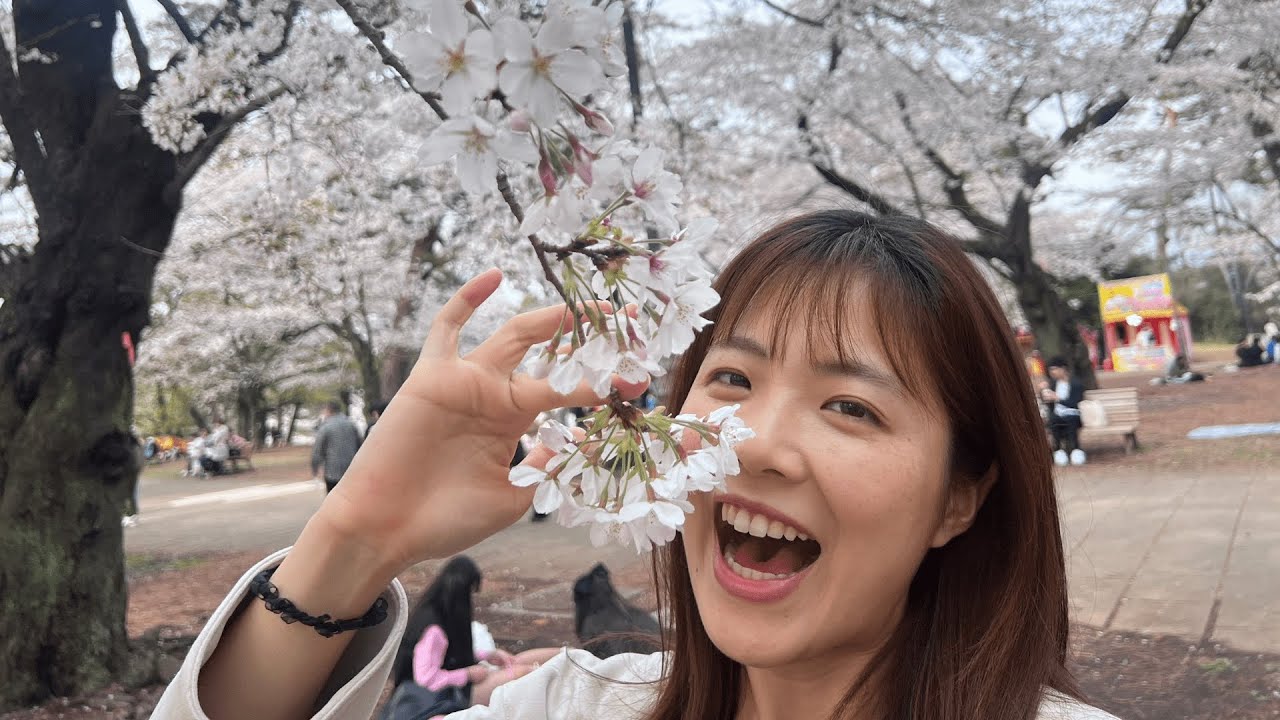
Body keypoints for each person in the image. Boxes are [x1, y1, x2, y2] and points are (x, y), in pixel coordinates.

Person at [153, 211, 1116, 720]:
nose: (752, 443)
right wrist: (356, 537)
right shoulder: (565, 709)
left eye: (851, 405)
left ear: (960, 497)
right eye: (731, 378)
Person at [382, 557, 556, 719]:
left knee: (516, 662)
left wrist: (486, 655)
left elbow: (446, 656)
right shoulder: (434, 629)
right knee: (521, 673)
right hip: (437, 698)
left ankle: (567, 658)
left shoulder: (437, 614)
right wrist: (467, 674)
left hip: (446, 689)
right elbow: (425, 679)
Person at [1040, 357, 1086, 467]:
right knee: (1054, 420)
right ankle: (1058, 451)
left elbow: (1075, 403)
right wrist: (1043, 393)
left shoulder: (1075, 384)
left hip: (1073, 414)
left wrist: (1058, 398)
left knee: (1070, 421)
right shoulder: (1053, 384)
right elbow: (1049, 403)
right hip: (1058, 415)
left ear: (1063, 369)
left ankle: (1076, 450)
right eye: (1051, 370)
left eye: (1055, 369)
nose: (1052, 373)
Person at [311, 400, 362, 494]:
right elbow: (360, 445)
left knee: (333, 497)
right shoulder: (351, 425)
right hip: (351, 468)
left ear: (328, 410)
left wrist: (315, 469)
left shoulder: (326, 427)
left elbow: (318, 450)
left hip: (332, 470)